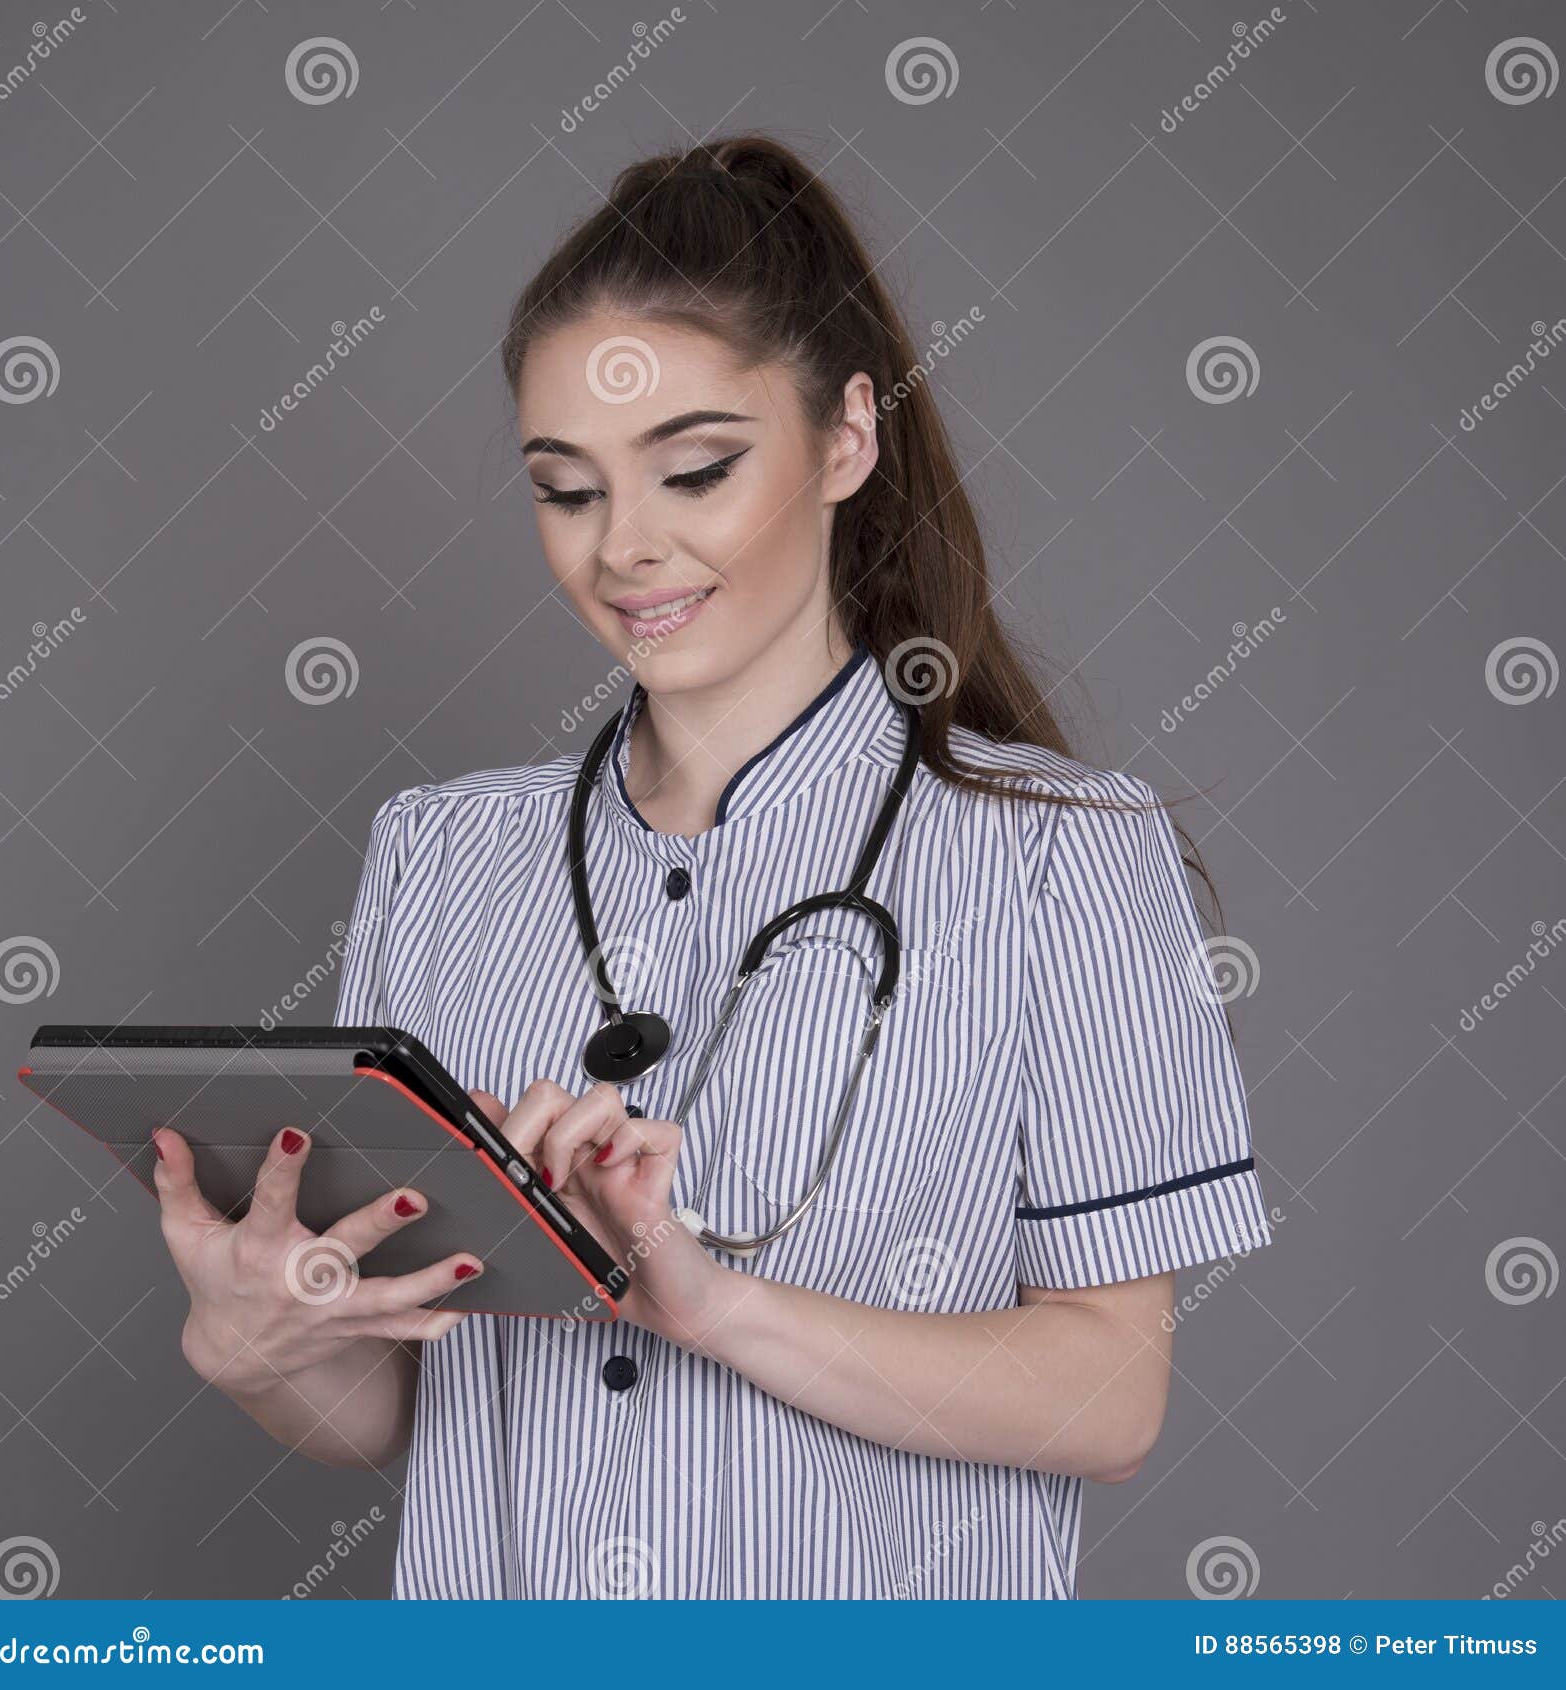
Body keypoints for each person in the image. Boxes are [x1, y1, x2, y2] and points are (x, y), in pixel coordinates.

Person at [153, 133, 1272, 1599]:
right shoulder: (437, 858)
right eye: (567, 488)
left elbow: (1108, 1399)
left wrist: (716, 1306)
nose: (628, 547)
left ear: (846, 438)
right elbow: (400, 1407)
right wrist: (259, 1343)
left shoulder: (1060, 857)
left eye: (693, 469)